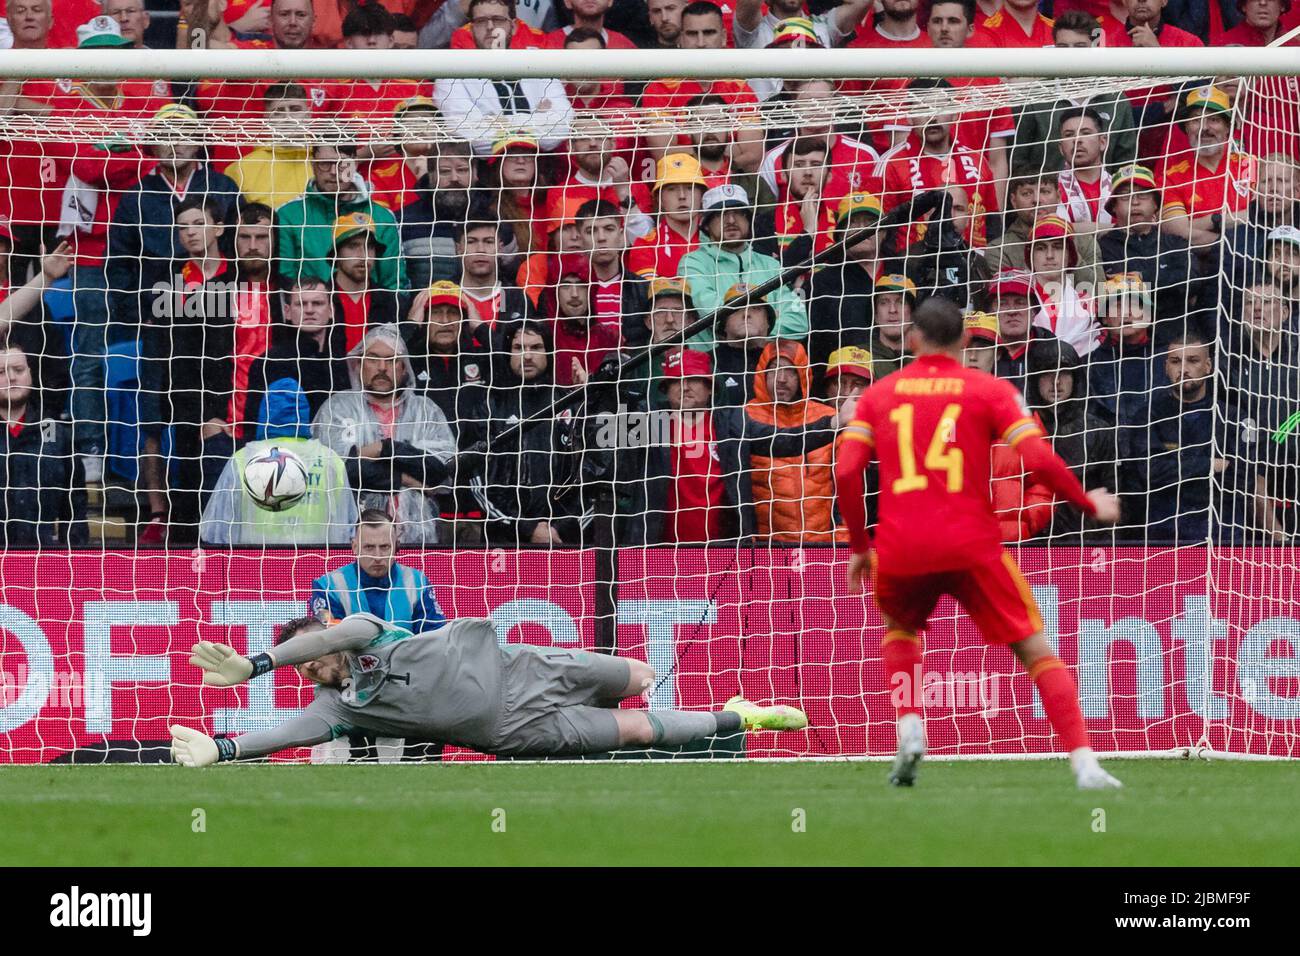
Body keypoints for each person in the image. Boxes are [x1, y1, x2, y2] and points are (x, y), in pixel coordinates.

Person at [835, 297, 1123, 789]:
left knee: (901, 632)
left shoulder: (879, 394)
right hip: (972, 543)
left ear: (913, 339)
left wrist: (862, 544)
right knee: (1036, 650)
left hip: (904, 546)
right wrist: (1086, 501)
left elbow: (845, 470)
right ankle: (1084, 763)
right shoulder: (989, 389)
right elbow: (1040, 457)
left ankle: (909, 727)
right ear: (965, 341)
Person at [171, 611, 808, 765]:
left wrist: (259, 664)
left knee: (639, 676)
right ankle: (738, 719)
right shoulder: (338, 708)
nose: (310, 670)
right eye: (303, 672)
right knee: (638, 729)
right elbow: (283, 734)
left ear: (331, 638)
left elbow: (313, 642)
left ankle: (699, 714)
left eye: (312, 656)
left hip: (527, 667)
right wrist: (221, 750)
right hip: (515, 730)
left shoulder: (368, 631)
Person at [312, 323, 459, 546]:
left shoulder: (426, 410)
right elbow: (337, 470)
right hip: (352, 538)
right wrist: (404, 478)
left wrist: (383, 449)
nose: (382, 367)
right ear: (359, 364)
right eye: (373, 358)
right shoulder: (337, 409)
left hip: (419, 538)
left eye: (391, 360)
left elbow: (441, 469)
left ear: (404, 368)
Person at [0, 343, 87, 547]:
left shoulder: (55, 433)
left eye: (19, 370)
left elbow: (75, 504)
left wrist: (72, 558)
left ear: (30, 373)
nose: (12, 378)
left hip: (44, 561)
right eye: (1, 372)